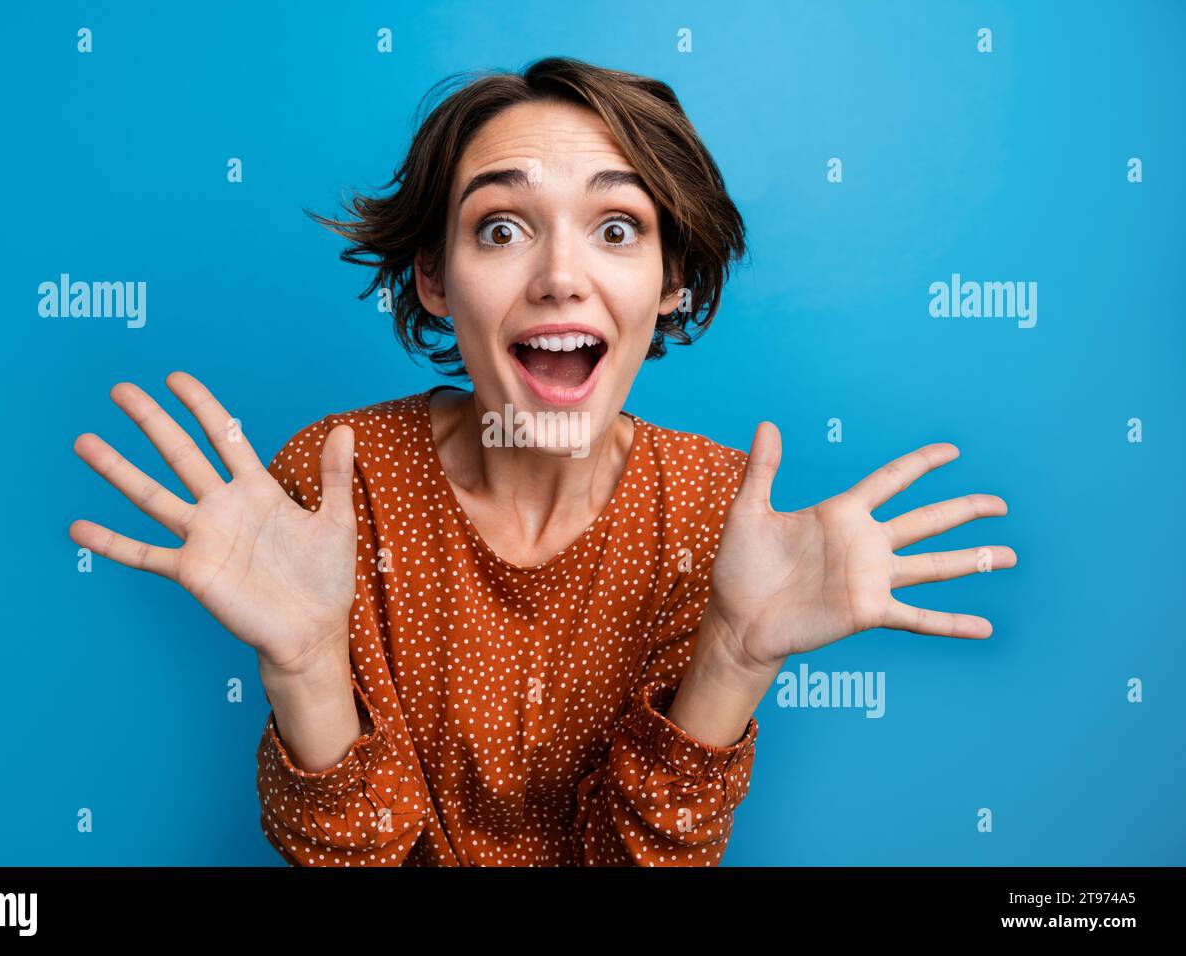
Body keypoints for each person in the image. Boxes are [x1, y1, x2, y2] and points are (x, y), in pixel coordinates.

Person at [68, 56, 1016, 866]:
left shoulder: (720, 513)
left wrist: (731, 658)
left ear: (672, 281)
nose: (561, 275)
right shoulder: (333, 479)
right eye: (501, 227)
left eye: (617, 229)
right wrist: (307, 669)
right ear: (434, 280)